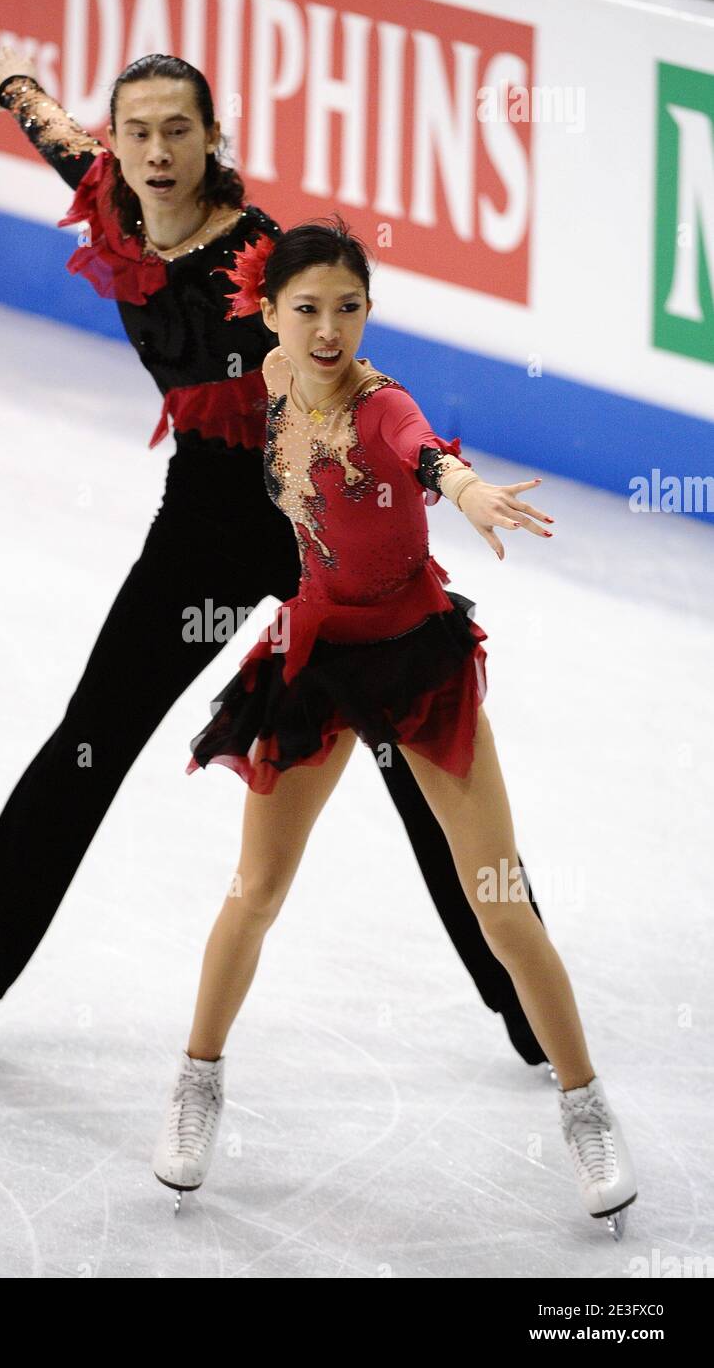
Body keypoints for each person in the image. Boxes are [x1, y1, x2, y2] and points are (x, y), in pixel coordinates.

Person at [0, 42, 548, 1068]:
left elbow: (357, 381)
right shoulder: (111, 188)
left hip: (314, 509)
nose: (156, 151)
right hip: (207, 512)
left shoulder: (256, 259)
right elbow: (53, 130)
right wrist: (11, 85)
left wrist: (441, 474)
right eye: (137, 132)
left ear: (215, 140)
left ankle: (524, 1000)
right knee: (92, 730)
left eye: (179, 131)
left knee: (413, 753)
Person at [151, 220, 637, 1235]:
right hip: (316, 654)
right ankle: (196, 1082)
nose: (329, 328)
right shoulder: (271, 376)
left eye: (349, 306)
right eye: (308, 307)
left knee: (499, 900)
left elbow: (422, 454)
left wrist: (465, 489)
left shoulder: (383, 410)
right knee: (255, 889)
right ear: (272, 313)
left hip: (414, 658)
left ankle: (584, 1106)